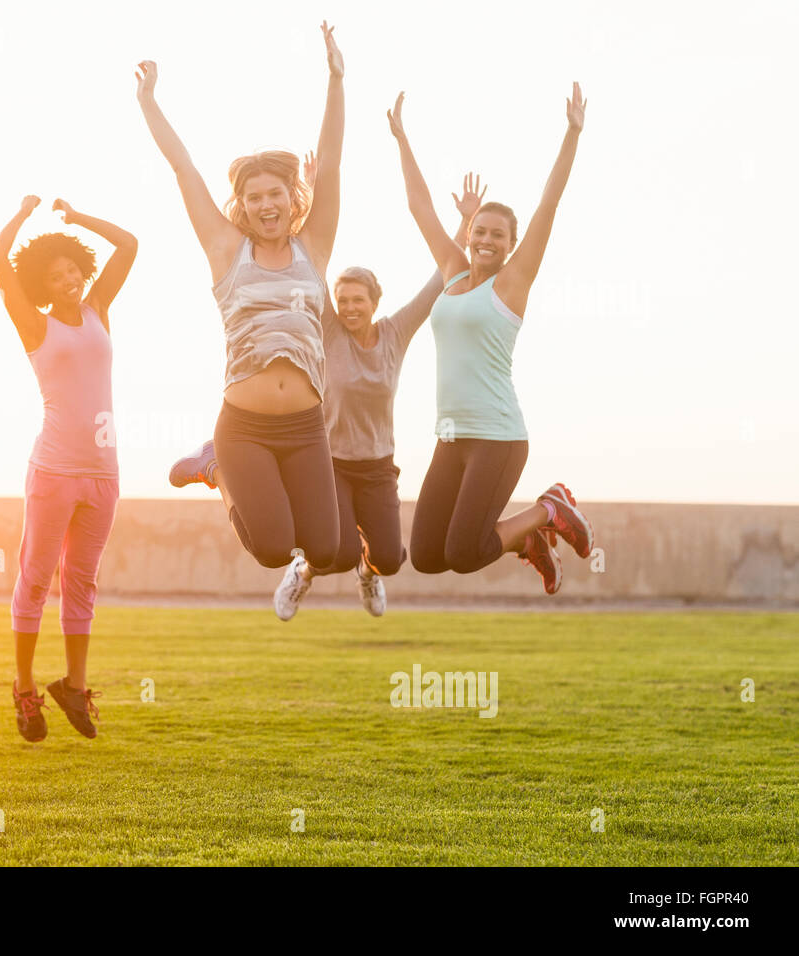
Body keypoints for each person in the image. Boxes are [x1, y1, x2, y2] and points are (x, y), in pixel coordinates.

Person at [140, 22, 346, 580]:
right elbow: (184, 169)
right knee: (275, 548)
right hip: (246, 426)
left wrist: (335, 78)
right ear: (244, 204)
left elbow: (330, 161)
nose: (265, 205)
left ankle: (216, 465)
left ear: (290, 197)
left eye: (275, 194)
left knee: (325, 553)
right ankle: (217, 466)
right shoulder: (227, 252)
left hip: (306, 426)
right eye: (254, 197)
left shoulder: (314, 249)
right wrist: (148, 102)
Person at [386, 84, 594, 593]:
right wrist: (401, 137)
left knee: (464, 552)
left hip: (498, 437)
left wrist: (571, 133)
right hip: (451, 436)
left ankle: (550, 508)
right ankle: (527, 540)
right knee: (431, 557)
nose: (484, 239)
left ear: (511, 244)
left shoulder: (512, 283)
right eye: (479, 230)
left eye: (497, 234)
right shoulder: (454, 276)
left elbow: (550, 201)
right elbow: (419, 208)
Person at [273, 163, 484, 621]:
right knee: (339, 551)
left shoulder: (395, 333)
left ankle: (368, 577)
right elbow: (309, 263)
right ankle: (303, 571)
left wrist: (465, 226)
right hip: (330, 464)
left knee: (388, 558)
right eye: (342, 299)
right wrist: (310, 191)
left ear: (375, 302)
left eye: (357, 300)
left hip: (376, 466)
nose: (349, 307)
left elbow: (442, 280)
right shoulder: (327, 329)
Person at [0, 196, 137, 742]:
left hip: (104, 473)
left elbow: (129, 245)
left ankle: (75, 686)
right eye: (55, 276)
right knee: (35, 576)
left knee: (82, 582)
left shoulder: (100, 308)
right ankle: (24, 689)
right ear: (42, 286)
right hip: (53, 469)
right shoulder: (34, 326)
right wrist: (22, 215)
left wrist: (78, 220)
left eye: (72, 268)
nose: (68, 279)